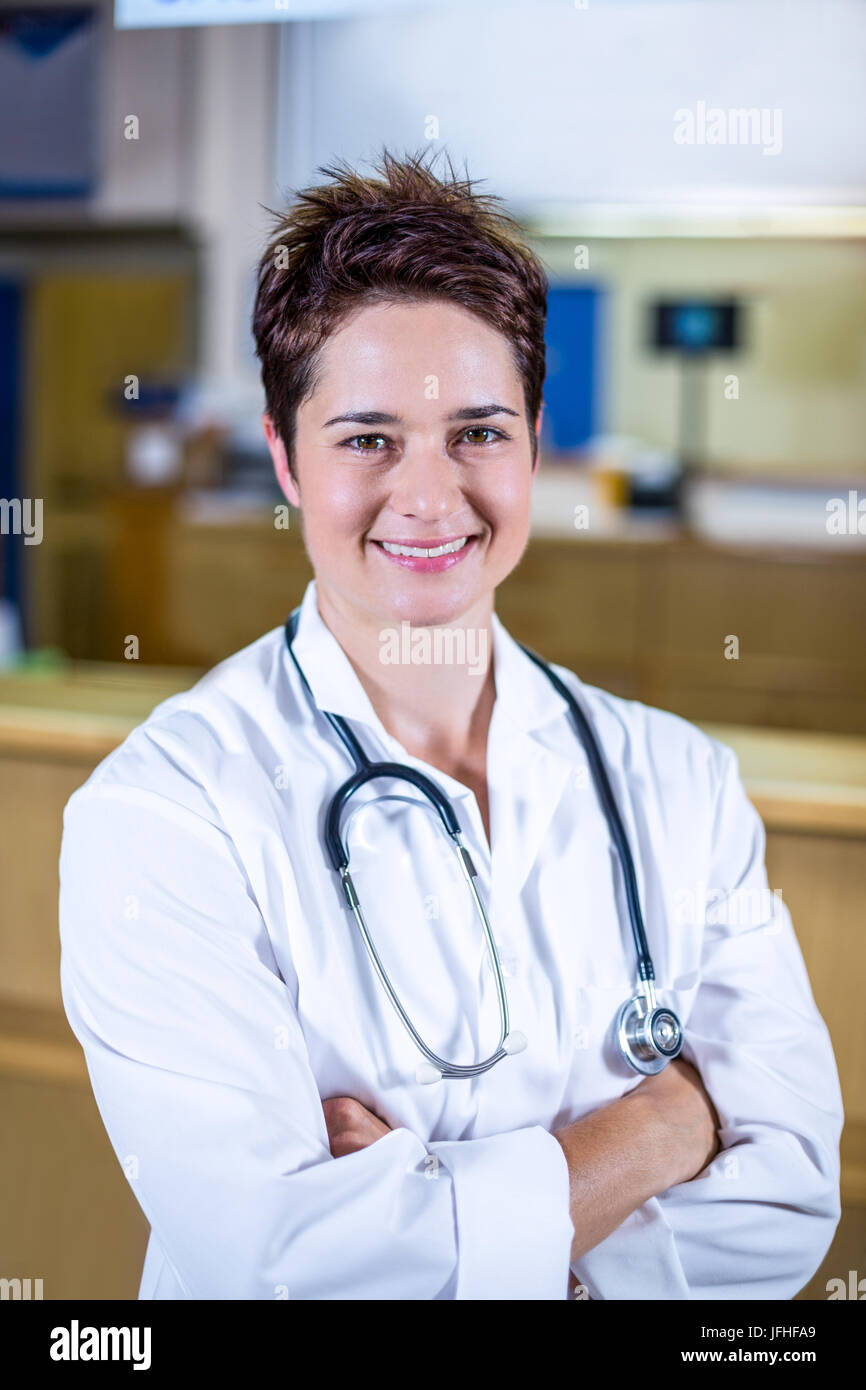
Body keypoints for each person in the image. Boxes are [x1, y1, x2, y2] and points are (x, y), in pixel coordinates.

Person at [58, 148, 842, 1300]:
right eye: (366, 437)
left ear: (533, 440)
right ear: (283, 458)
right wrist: (665, 1123)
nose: (429, 498)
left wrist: (441, 1224)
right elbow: (288, 1266)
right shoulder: (165, 814)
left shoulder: (681, 785)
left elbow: (787, 1202)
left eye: (476, 432)